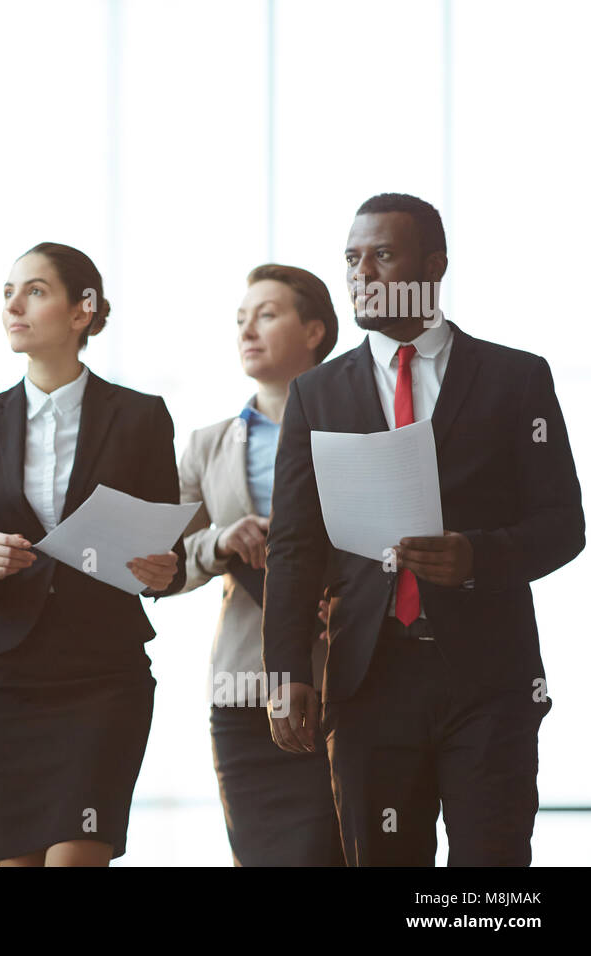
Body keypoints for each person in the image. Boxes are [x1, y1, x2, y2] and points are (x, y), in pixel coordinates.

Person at [263, 193, 584, 866]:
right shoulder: (318, 394)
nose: (362, 273)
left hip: (490, 682)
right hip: (368, 681)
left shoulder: (515, 378)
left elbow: (564, 524)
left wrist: (478, 555)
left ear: (433, 266)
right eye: (352, 259)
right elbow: (294, 544)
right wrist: (287, 670)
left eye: (382, 255)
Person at [0, 242, 184, 866]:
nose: (13, 305)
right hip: (8, 679)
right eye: (7, 292)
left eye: (35, 291)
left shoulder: (141, 417)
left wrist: (164, 570)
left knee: (76, 858)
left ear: (82, 312)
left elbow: (164, 545)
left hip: (104, 677)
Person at [177, 263, 344, 866]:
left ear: (315, 331)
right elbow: (162, 562)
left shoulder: (359, 427)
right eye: (241, 319)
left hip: (344, 682)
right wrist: (221, 540)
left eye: (267, 315)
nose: (247, 329)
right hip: (245, 692)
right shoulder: (207, 444)